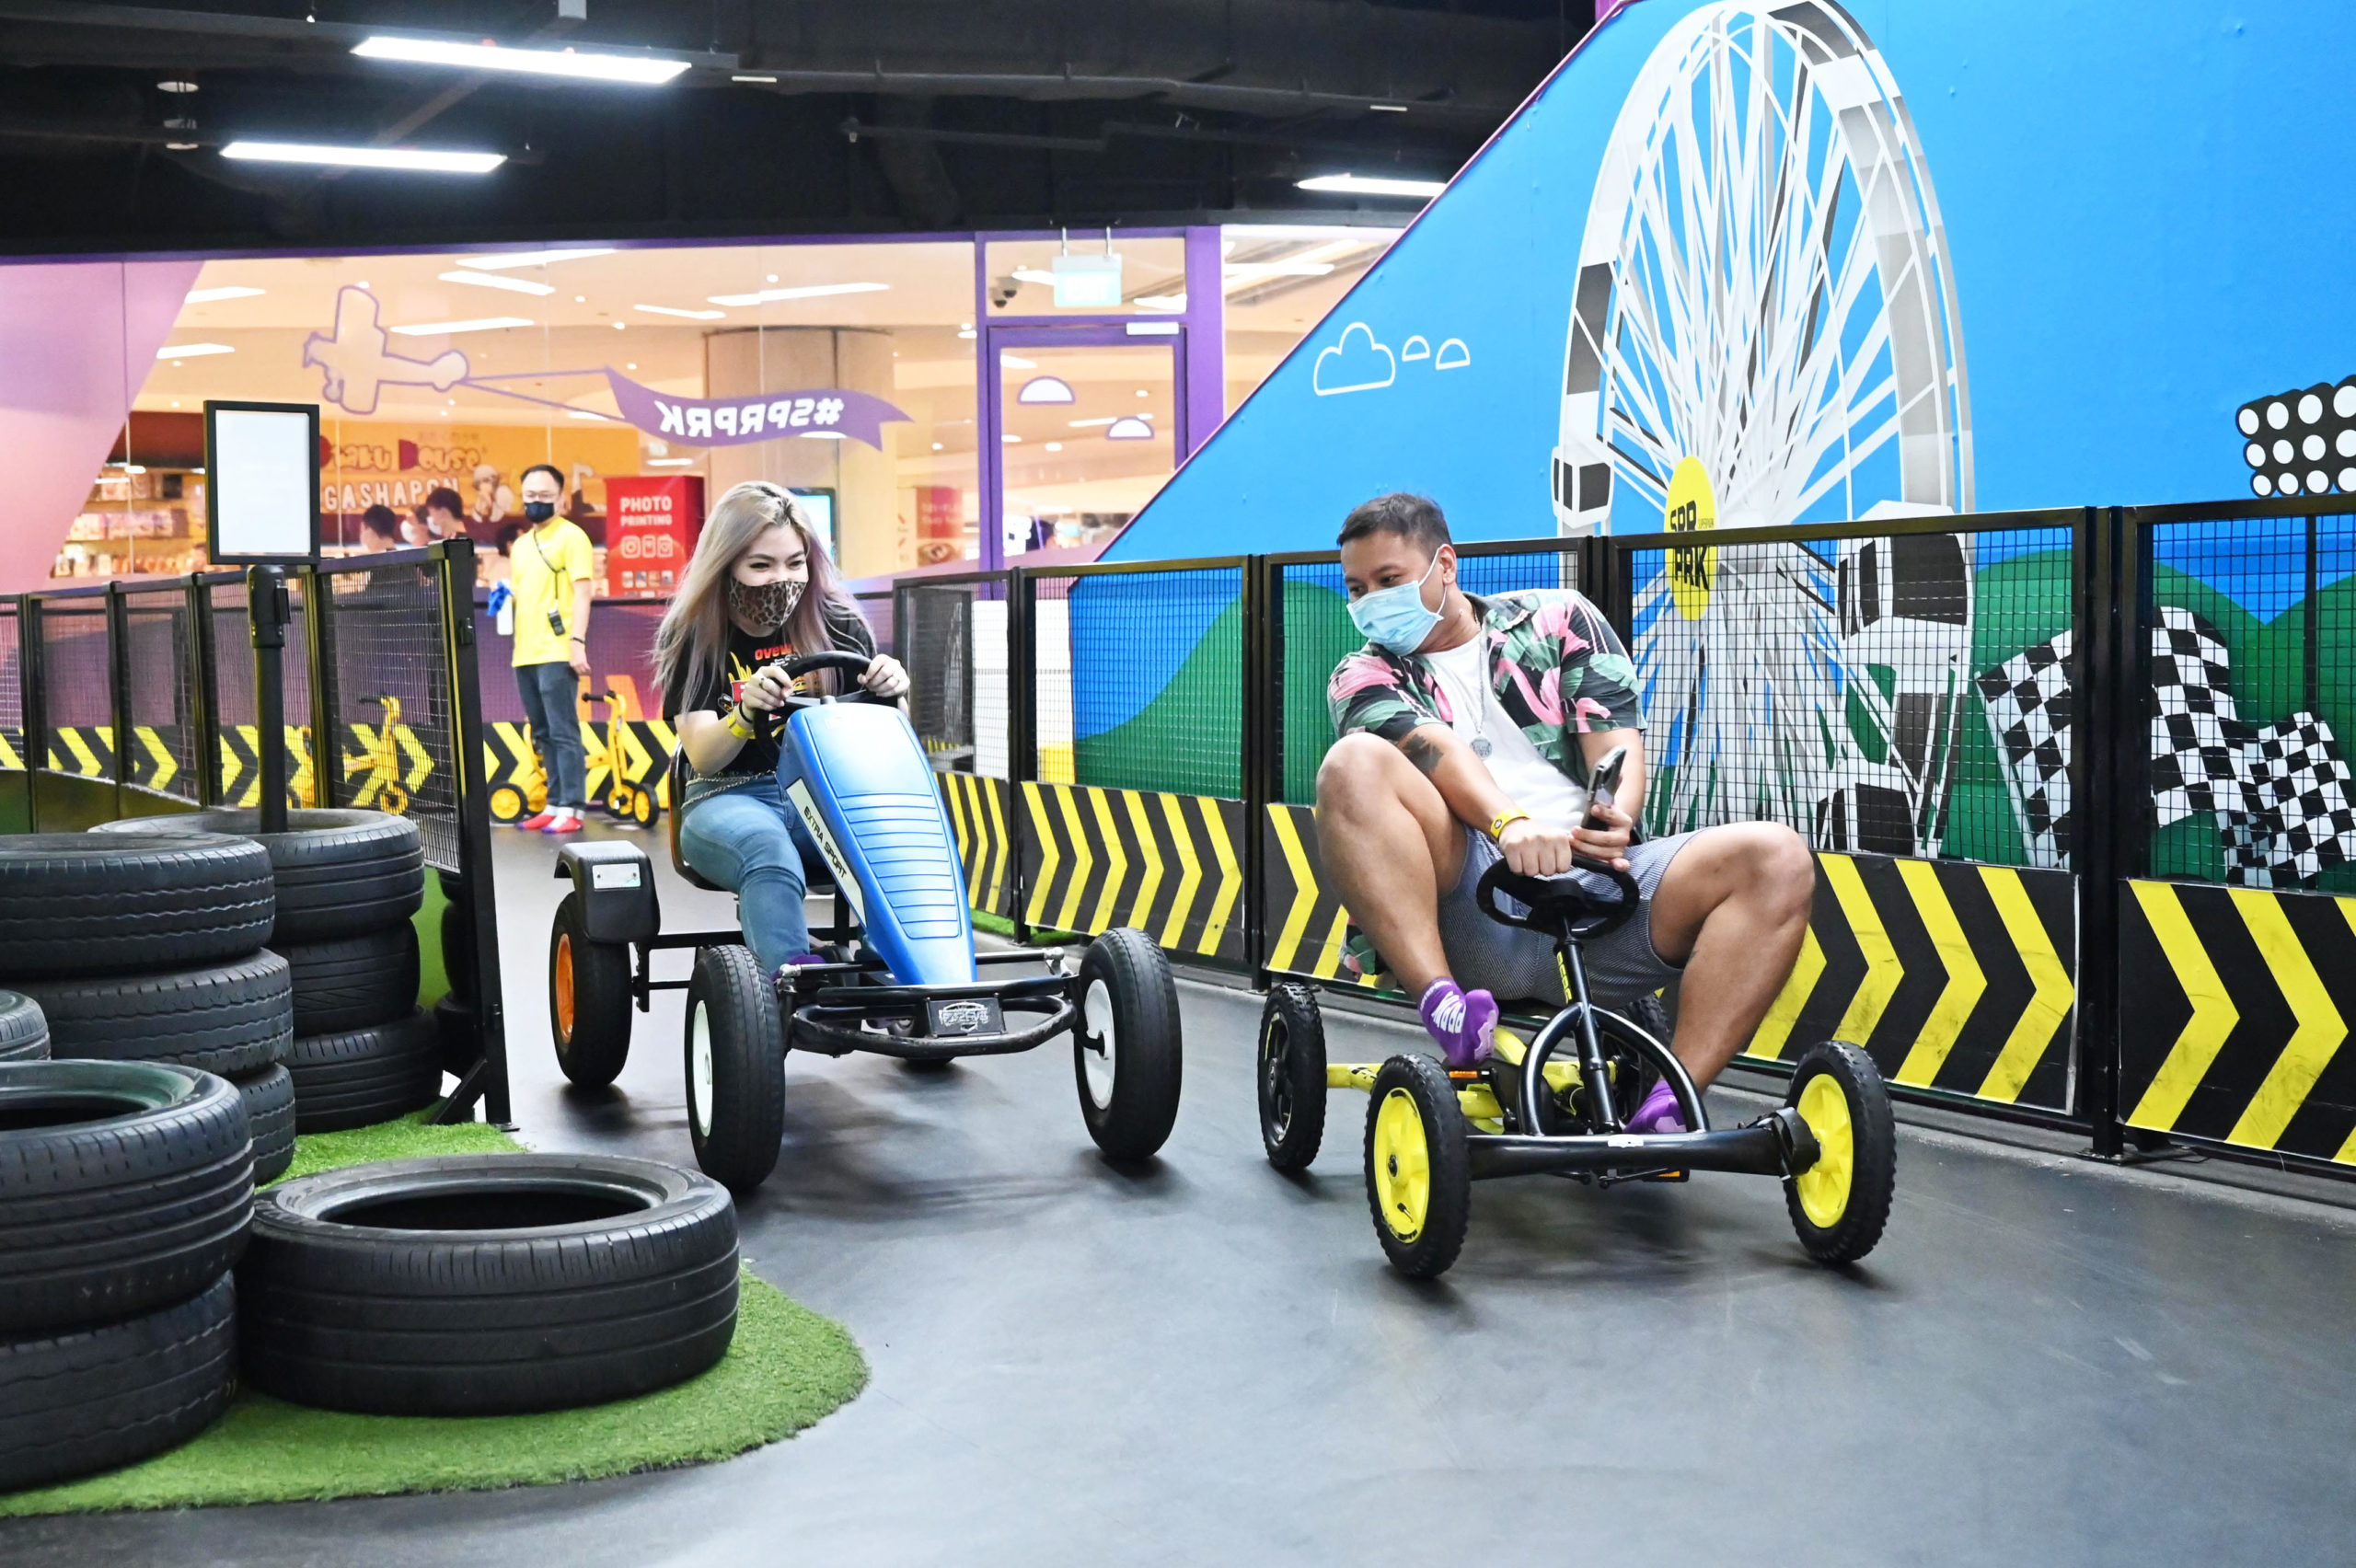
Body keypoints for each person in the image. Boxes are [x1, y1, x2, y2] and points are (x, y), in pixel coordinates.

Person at [1314, 493, 1815, 1134]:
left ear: (1445, 565)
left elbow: (1617, 745)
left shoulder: (1558, 619)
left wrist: (1614, 818)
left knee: (1777, 855)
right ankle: (1445, 1008)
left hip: (1602, 901)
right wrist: (1509, 825)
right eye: (1357, 589)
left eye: (1389, 581)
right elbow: (1432, 749)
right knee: (1352, 763)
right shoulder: (1361, 674)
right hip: (1468, 908)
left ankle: (1670, 1104)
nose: (1371, 603)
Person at [654, 480, 910, 976]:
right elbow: (703, 755)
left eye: (795, 563)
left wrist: (893, 690)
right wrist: (745, 712)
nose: (782, 578)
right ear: (725, 564)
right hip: (725, 795)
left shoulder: (838, 624)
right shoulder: (696, 636)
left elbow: (884, 742)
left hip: (825, 794)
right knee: (766, 849)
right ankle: (799, 984)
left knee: (890, 842)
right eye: (761, 565)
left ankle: (898, 977)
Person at [509, 463, 595, 836]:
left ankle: (573, 807)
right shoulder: (521, 545)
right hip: (524, 652)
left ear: (560, 498)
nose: (536, 503)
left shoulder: (572, 537)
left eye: (544, 496)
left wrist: (577, 643)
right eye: (530, 496)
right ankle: (555, 802)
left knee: (563, 731)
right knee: (543, 733)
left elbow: (583, 590)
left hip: (558, 650)